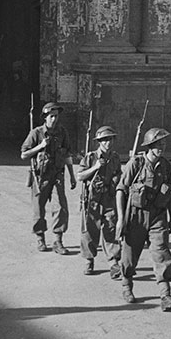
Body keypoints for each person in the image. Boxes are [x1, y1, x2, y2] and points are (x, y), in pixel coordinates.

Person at [115, 127, 171, 311]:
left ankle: (166, 295)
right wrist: (121, 219)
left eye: (164, 143)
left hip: (158, 216)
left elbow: (170, 192)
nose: (162, 147)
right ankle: (126, 286)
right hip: (136, 216)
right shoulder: (135, 164)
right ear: (150, 145)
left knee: (162, 252)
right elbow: (121, 190)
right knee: (129, 255)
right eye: (158, 144)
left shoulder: (167, 166)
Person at [21, 101, 76, 254]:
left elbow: (67, 154)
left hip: (57, 174)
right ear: (45, 117)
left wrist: (72, 175)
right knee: (39, 209)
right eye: (51, 116)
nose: (54, 119)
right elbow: (23, 154)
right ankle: (40, 239)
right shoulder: (36, 133)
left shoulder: (62, 132)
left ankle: (58, 241)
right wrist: (40, 146)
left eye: (56, 116)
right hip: (41, 177)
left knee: (60, 208)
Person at [76, 125, 122, 277]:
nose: (107, 143)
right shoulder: (90, 157)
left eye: (110, 139)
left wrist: (116, 180)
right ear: (99, 142)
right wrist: (95, 167)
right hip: (93, 200)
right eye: (104, 140)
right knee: (90, 231)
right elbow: (80, 176)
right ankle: (89, 260)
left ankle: (114, 263)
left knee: (111, 229)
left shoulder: (115, 158)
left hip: (109, 198)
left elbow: (118, 174)